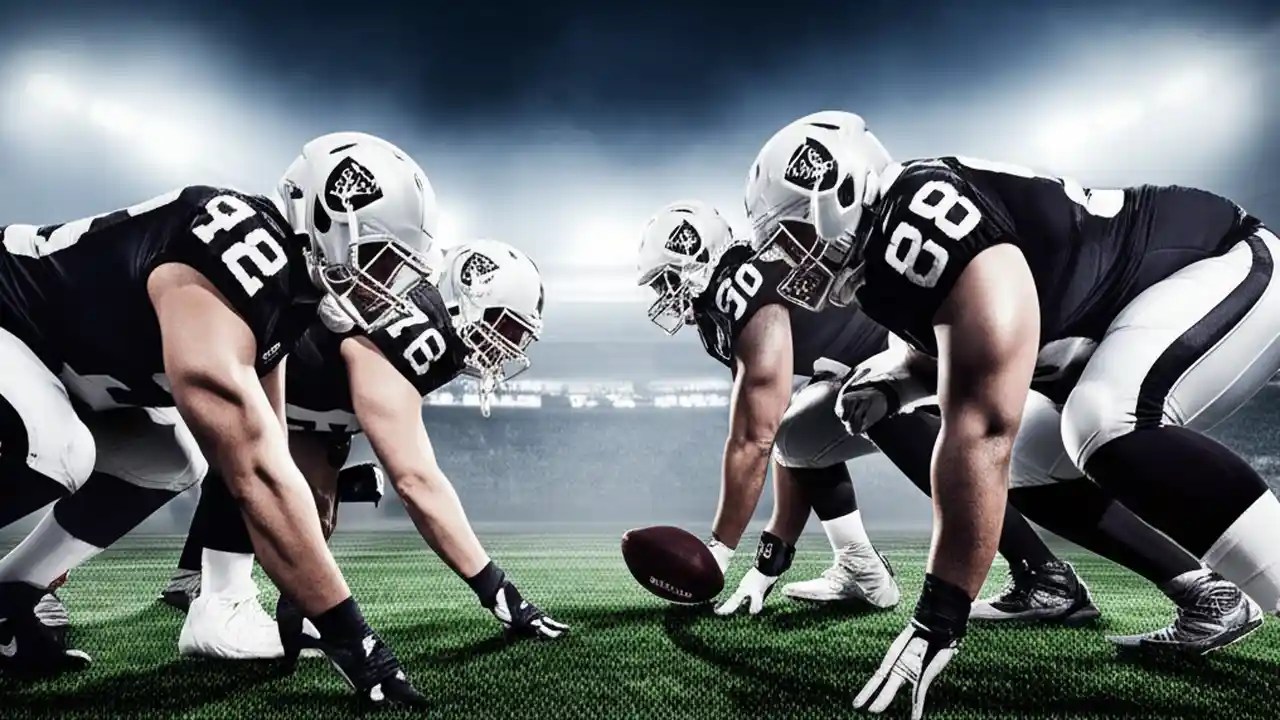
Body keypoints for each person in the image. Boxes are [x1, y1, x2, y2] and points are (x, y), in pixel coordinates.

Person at [746, 111, 1279, 717]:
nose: (790, 265)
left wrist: (937, 619)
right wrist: (896, 385)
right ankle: (1206, 594)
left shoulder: (922, 221)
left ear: (837, 197)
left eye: (791, 239)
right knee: (1031, 455)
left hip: (1217, 265)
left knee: (1102, 420)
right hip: (1120, 324)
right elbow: (963, 342)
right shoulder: (886, 253)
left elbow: (980, 427)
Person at [0, 131, 435, 706]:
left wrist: (303, 579)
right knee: (57, 449)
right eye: (377, 259)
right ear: (323, 216)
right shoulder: (239, 255)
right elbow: (258, 477)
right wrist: (355, 641)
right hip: (14, 323)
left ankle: (9, 598)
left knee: (168, 461)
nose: (382, 288)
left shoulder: (289, 297)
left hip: (59, 363)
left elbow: (265, 457)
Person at [637, 200, 1092, 617]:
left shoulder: (740, 290)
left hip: (930, 355)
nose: (663, 294)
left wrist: (720, 550)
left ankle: (1044, 574)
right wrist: (770, 562)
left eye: (665, 279)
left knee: (895, 422)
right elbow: (784, 440)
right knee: (816, 416)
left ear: (697, 257)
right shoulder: (724, 311)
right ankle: (860, 566)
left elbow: (754, 438)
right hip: (903, 366)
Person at [160, 239, 567, 660]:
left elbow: (324, 413)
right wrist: (497, 588)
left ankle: (194, 579)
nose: (506, 346)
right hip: (212, 351)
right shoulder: (420, 327)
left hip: (285, 396)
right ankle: (217, 600)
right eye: (506, 327)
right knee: (247, 461)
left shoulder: (417, 326)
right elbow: (416, 482)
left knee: (313, 515)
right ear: (470, 294)